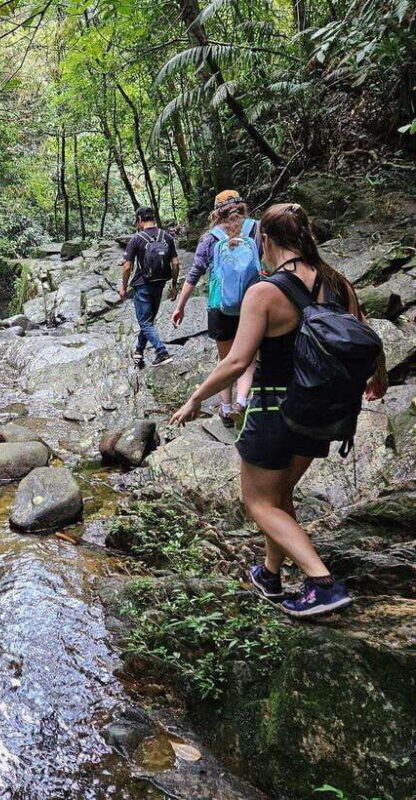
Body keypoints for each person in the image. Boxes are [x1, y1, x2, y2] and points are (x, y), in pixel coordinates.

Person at [170, 202, 387, 618]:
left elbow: (236, 362)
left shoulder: (265, 291)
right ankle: (270, 574)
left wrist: (195, 399)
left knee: (259, 503)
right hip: (322, 411)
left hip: (274, 409)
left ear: (264, 240)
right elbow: (364, 331)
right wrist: (379, 377)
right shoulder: (336, 281)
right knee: (281, 495)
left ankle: (321, 582)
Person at [171, 190, 262, 427]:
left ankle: (226, 409)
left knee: (225, 360)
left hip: (219, 306)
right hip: (253, 304)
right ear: (241, 206)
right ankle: (242, 402)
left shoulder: (209, 238)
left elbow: (194, 275)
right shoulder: (257, 229)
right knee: (248, 359)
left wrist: (179, 307)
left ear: (216, 211)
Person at [119, 206, 180, 368]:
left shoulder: (137, 239)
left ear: (139, 220)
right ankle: (139, 350)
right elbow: (175, 263)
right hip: (160, 283)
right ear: (153, 218)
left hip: (143, 285)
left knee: (145, 322)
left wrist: (123, 288)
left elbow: (126, 267)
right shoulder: (166, 237)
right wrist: (174, 285)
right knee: (148, 321)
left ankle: (162, 352)